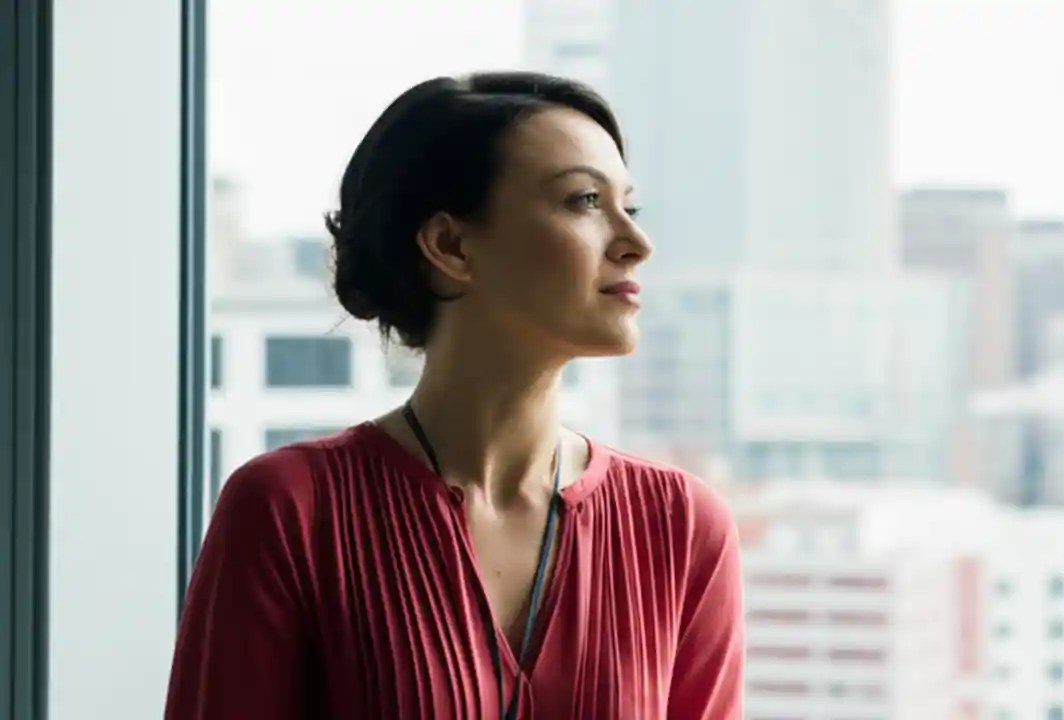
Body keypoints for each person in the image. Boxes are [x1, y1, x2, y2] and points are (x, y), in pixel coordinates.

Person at [164, 71, 744, 719]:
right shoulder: (291, 510)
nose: (637, 244)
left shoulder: (681, 526)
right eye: (583, 200)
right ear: (450, 245)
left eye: (627, 208)